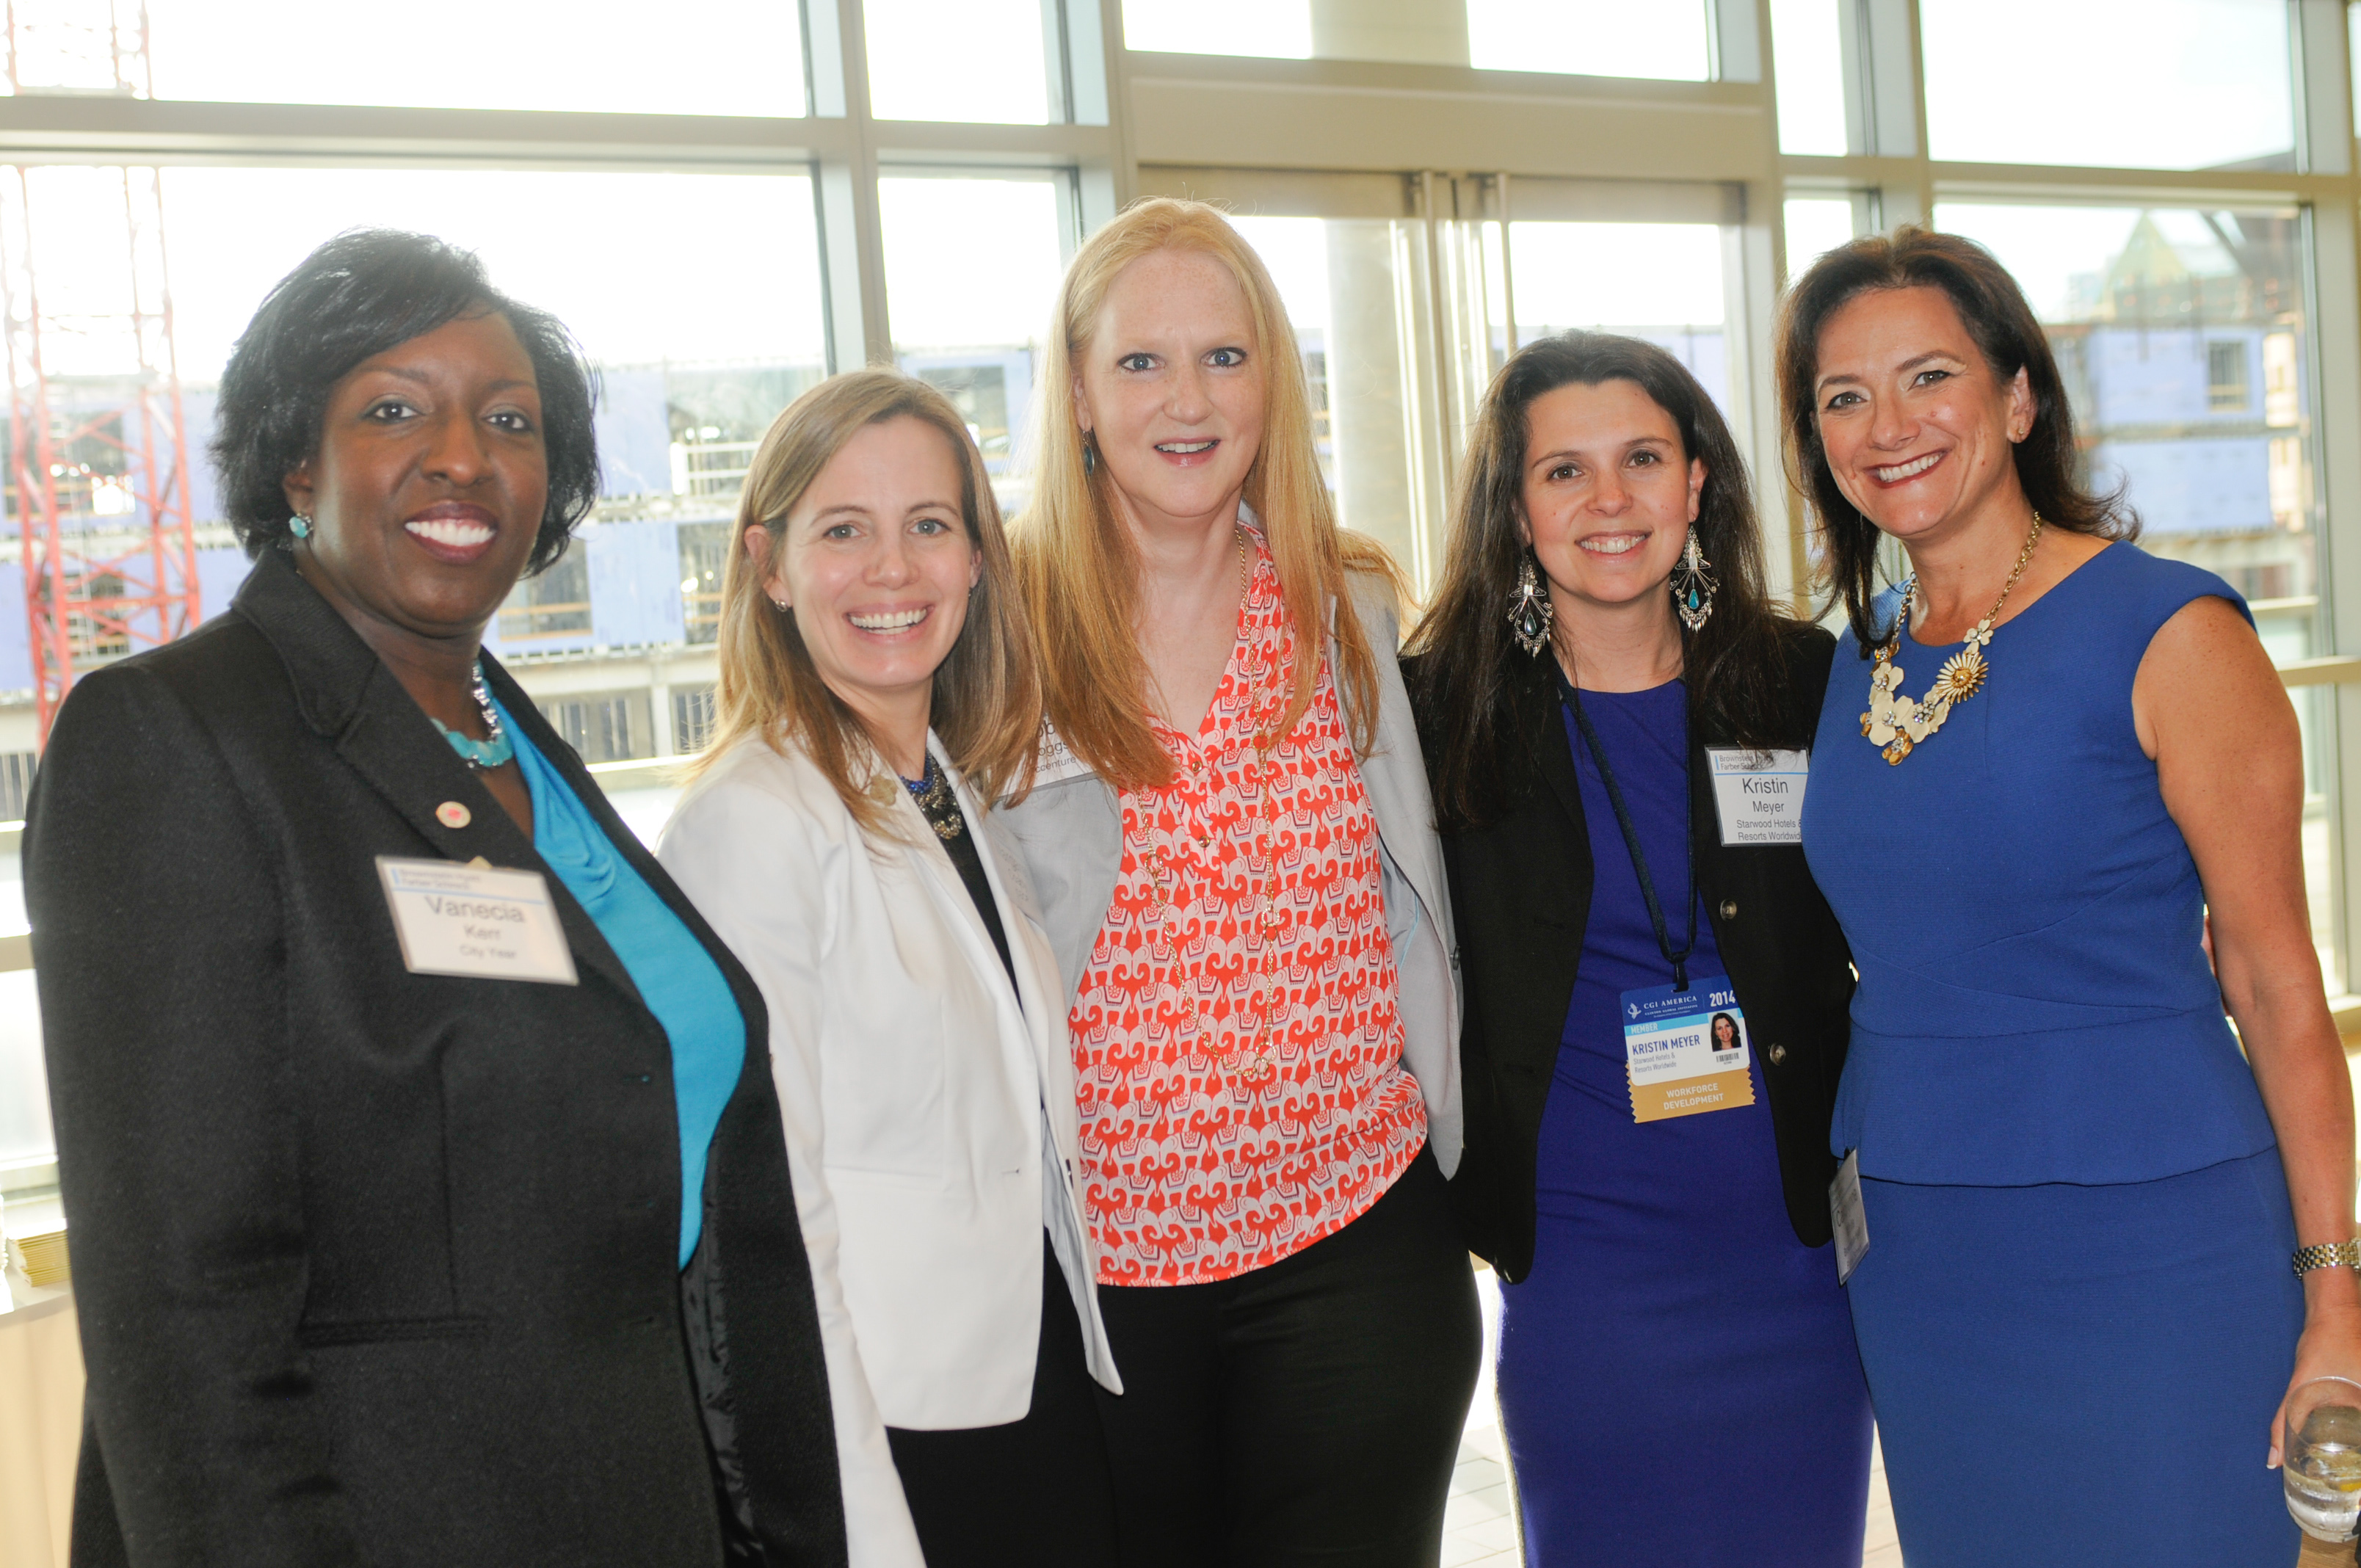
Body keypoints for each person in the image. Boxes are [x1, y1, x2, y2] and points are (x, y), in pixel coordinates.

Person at [23, 230, 844, 1565]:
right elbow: (185, 1312)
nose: (461, 455)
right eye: (394, 409)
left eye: (507, 421)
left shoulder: (508, 740)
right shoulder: (175, 740)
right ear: (299, 462)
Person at [1783, 225, 2360, 1566]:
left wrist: (2336, 1301)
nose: (1889, 426)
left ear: (2019, 396)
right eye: (1843, 397)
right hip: (1921, 1252)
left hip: (2153, 1244)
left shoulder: (2173, 633)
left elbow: (2277, 983)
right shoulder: (1847, 665)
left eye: (1930, 377)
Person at [994, 197, 1481, 1565]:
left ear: (1275, 378)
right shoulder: (998, 632)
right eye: (1141, 363)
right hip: (1107, 1283)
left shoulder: (1354, 611)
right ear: (1079, 393)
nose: (1188, 399)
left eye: (1226, 356)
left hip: (1355, 1252)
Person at [1403, 330, 1868, 1566]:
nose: (1609, 502)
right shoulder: (1434, 714)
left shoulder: (1800, 682)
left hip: (1795, 1268)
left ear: (1698, 483)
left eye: (1643, 460)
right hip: (1589, 1274)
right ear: (1514, 503)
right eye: (1564, 472)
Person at [657, 369, 1122, 1568]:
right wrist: (851, 1511)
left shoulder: (945, 787)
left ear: (977, 558)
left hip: (1025, 1377)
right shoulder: (752, 821)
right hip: (893, 1429)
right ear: (768, 566)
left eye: (929, 526)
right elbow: (766, 1212)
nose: (894, 571)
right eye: (844, 531)